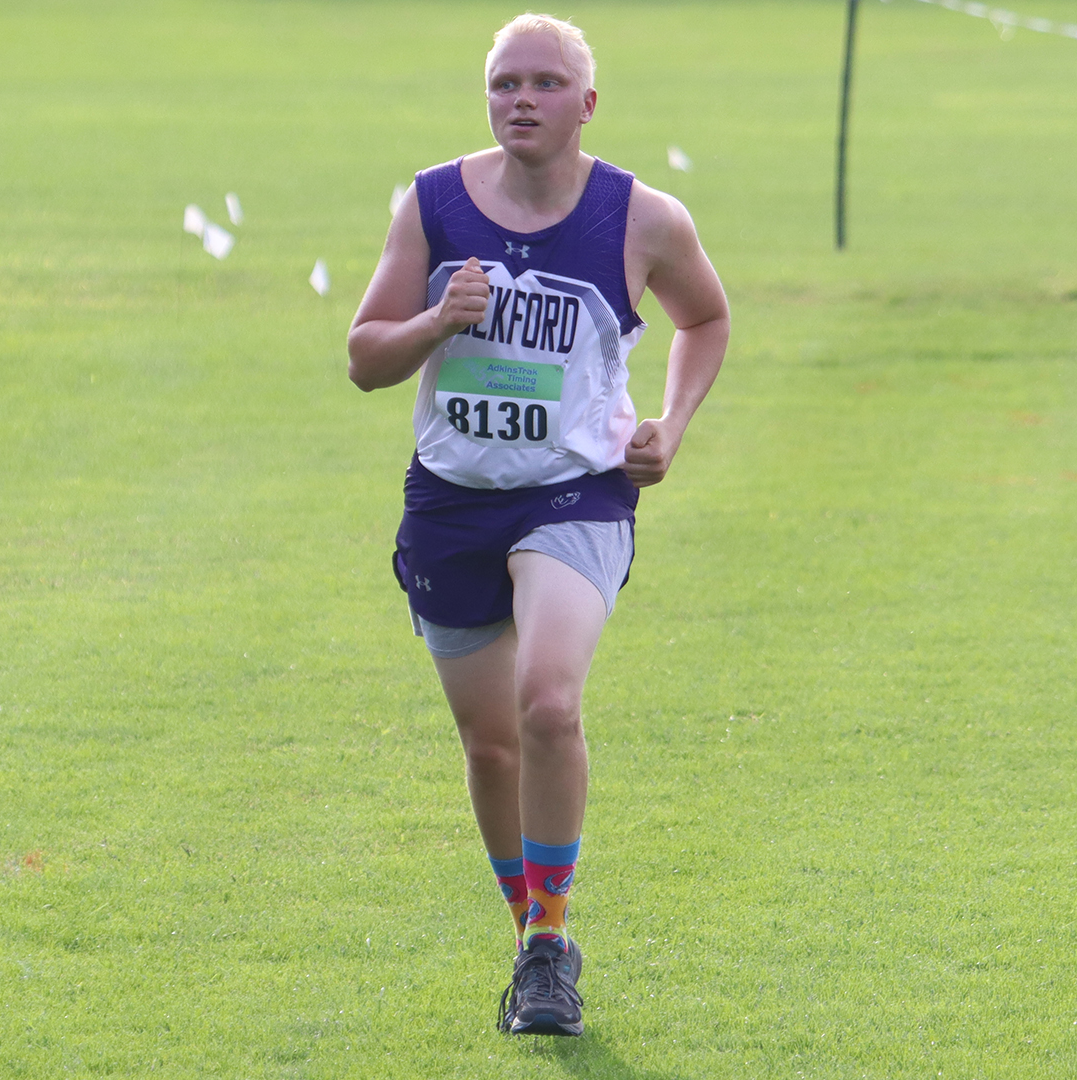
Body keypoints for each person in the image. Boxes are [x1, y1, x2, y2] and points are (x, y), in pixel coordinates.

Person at [346, 11, 729, 1037]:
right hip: (452, 498)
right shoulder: (431, 205)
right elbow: (364, 359)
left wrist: (671, 428)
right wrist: (435, 320)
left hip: (578, 489)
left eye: (547, 84)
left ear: (587, 104)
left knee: (547, 704)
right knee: (490, 748)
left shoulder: (642, 218)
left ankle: (550, 944)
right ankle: (533, 942)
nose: (523, 99)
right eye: (506, 82)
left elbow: (706, 317)